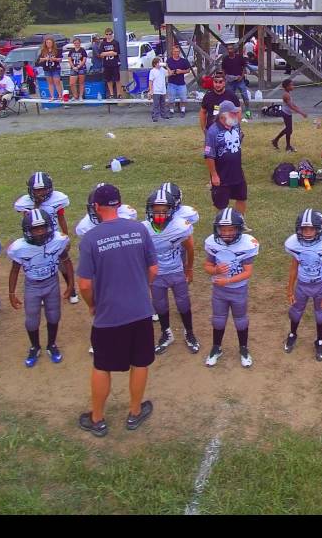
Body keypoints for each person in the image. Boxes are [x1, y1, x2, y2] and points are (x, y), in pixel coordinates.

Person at [74, 184, 158, 436]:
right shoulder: (139, 229)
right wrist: (142, 289)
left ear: (96, 207)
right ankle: (134, 412)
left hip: (108, 315)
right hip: (140, 309)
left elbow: (85, 284)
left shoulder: (90, 239)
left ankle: (97, 418)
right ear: (119, 205)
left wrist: (92, 305)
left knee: (102, 366)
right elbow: (153, 269)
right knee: (140, 362)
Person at [6, 208, 74, 368]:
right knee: (31, 320)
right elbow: (15, 269)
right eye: (35, 229)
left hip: (52, 283)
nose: (39, 232)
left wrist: (71, 284)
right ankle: (34, 346)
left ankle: (51, 344)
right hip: (32, 285)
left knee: (54, 316)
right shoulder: (19, 247)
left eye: (42, 228)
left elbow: (67, 261)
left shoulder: (58, 240)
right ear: (27, 231)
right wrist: (11, 292)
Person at [143, 186, 200, 355]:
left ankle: (189, 332)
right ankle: (166, 333)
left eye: (164, 211)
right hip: (157, 274)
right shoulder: (143, 228)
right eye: (156, 211)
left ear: (172, 210)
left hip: (176, 271)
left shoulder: (180, 226)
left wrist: (189, 269)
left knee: (183, 304)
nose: (159, 214)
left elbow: (189, 248)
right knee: (160, 306)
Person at [203, 208, 259, 367]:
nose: (226, 233)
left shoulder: (246, 245)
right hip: (219, 291)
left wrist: (227, 281)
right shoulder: (213, 244)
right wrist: (215, 270)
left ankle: (243, 349)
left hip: (238, 290)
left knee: (240, 320)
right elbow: (207, 265)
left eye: (231, 229)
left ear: (239, 230)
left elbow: (248, 272)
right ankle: (216, 347)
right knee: (218, 320)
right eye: (223, 229)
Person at [283, 209, 322, 362]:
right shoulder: (295, 245)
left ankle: (320, 341)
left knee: (321, 315)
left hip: (320, 285)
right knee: (295, 312)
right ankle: (292, 334)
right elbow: (293, 269)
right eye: (304, 229)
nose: (308, 232)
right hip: (302, 285)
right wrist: (290, 289)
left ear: (319, 229)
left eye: (311, 229)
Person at [205, 100, 247, 215]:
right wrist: (214, 175)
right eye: (233, 113)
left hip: (237, 171)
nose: (236, 115)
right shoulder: (213, 132)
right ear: (223, 115)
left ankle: (240, 223)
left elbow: (238, 140)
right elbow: (209, 155)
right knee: (221, 203)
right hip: (222, 174)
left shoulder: (236, 125)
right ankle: (222, 224)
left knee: (241, 198)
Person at [13, 171, 72, 237]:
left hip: (53, 234)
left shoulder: (57, 199)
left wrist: (66, 236)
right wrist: (37, 204)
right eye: (36, 190)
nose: (40, 193)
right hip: (35, 237)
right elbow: (29, 222)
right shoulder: (26, 202)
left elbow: (61, 218)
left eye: (43, 189)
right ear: (31, 190)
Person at [271, 78, 309, 152]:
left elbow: (292, 104)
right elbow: (290, 106)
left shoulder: (288, 94)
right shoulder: (286, 95)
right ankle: (282, 143)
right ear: (287, 87)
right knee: (289, 130)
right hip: (286, 113)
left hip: (288, 113)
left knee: (289, 130)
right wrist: (301, 113)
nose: (293, 86)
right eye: (291, 85)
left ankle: (278, 141)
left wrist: (297, 107)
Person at [95, 29, 124, 99]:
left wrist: (107, 53)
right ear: (105, 35)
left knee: (117, 79)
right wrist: (110, 52)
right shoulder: (103, 43)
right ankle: (111, 94)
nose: (108, 36)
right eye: (107, 34)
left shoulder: (115, 42)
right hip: (106, 63)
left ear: (112, 34)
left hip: (114, 63)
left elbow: (116, 53)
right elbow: (101, 54)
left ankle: (119, 93)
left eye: (110, 34)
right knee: (108, 79)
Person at [165, 44, 190, 115]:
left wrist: (181, 71)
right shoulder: (169, 60)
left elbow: (188, 70)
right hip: (171, 83)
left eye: (178, 51)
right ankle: (171, 111)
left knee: (184, 98)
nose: (176, 53)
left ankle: (183, 110)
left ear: (180, 52)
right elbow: (166, 70)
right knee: (171, 99)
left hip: (181, 83)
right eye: (175, 51)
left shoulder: (184, 61)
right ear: (172, 52)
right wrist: (171, 72)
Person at [37, 36, 63, 102]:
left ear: (52, 43)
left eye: (50, 42)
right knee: (50, 83)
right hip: (47, 68)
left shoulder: (57, 50)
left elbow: (60, 59)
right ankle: (52, 96)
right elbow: (39, 60)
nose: (48, 44)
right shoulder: (43, 51)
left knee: (57, 82)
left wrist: (55, 59)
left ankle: (60, 96)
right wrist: (45, 59)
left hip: (55, 68)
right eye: (47, 42)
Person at [67, 37, 89, 101]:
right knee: (72, 83)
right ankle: (75, 95)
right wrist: (73, 67)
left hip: (81, 68)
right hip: (73, 68)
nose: (76, 44)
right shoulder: (71, 50)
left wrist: (78, 66)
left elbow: (84, 60)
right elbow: (69, 59)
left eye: (78, 43)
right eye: (75, 43)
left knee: (81, 83)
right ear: (73, 43)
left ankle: (80, 96)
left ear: (80, 43)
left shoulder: (82, 50)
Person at [149, 56, 169, 122]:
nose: (159, 63)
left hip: (163, 90)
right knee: (156, 104)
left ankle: (163, 115)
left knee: (163, 103)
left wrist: (167, 67)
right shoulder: (152, 71)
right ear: (155, 64)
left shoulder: (162, 70)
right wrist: (151, 90)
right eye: (158, 62)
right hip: (156, 91)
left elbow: (170, 73)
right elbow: (150, 81)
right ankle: (155, 116)